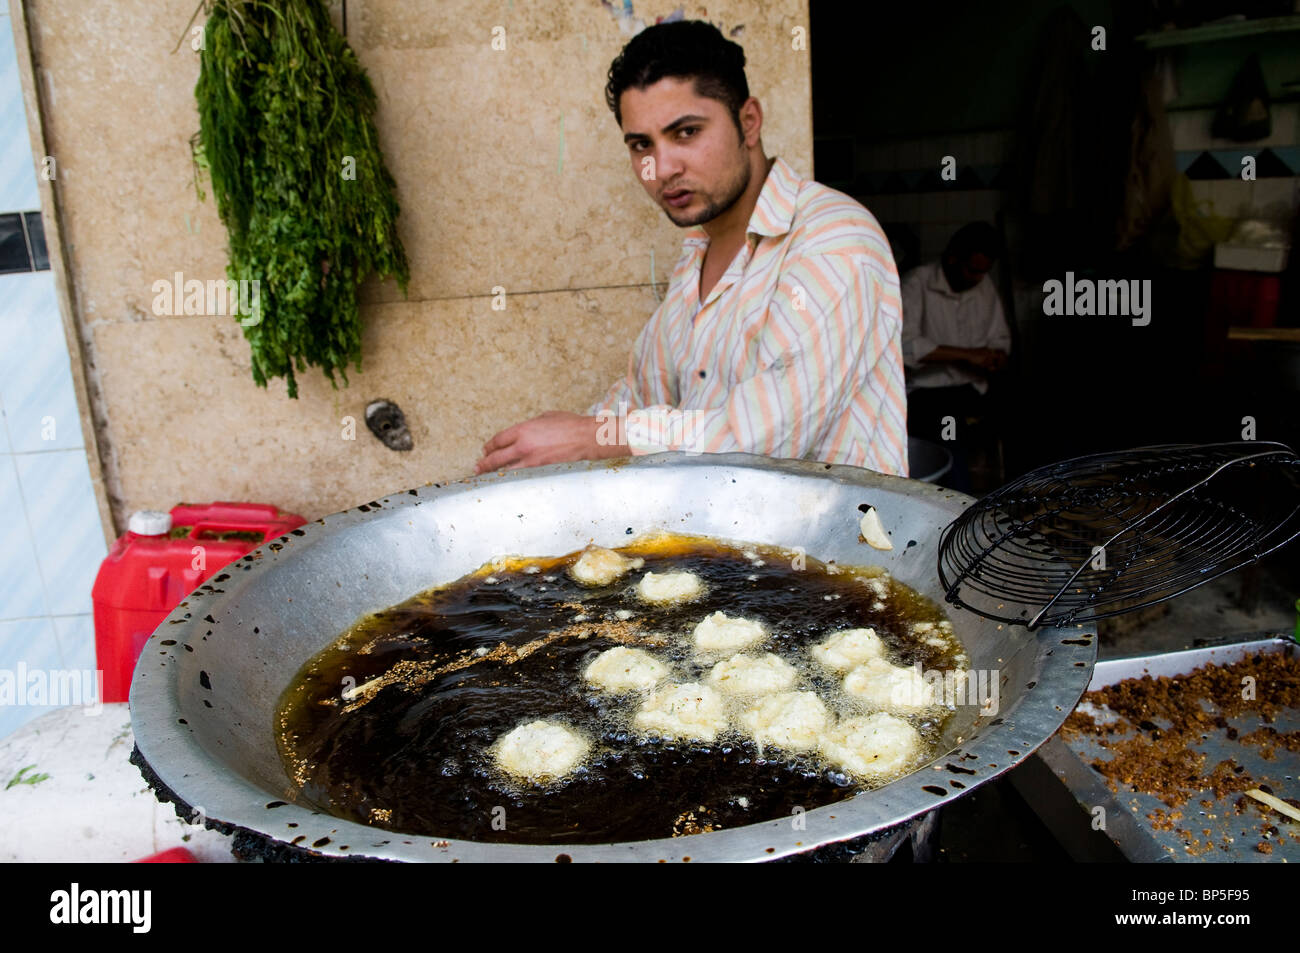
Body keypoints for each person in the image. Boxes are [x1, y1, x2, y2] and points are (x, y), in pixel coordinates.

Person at [475, 20, 907, 477]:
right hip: (718, 541)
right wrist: (546, 445)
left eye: (686, 133)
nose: (661, 168)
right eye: (642, 145)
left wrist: (592, 437)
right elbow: (645, 396)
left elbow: (765, 440)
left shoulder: (835, 242)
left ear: (749, 122)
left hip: (837, 545)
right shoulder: (697, 250)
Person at [900, 222, 1010, 490]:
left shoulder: (983, 286)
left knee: (1028, 415)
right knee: (950, 431)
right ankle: (961, 509)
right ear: (951, 259)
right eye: (972, 270)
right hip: (927, 391)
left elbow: (1000, 341)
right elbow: (904, 346)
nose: (977, 278)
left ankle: (1017, 502)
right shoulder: (917, 283)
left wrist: (996, 357)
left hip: (972, 388)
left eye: (983, 272)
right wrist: (966, 356)